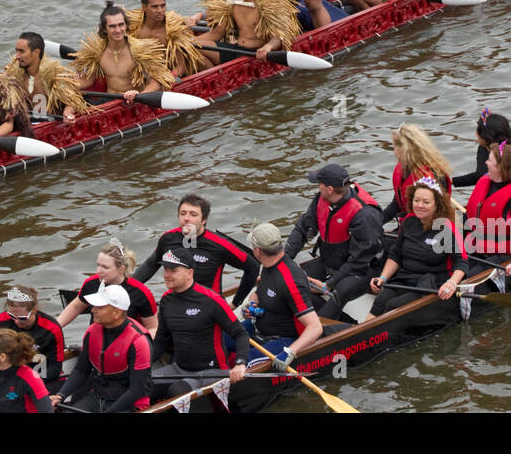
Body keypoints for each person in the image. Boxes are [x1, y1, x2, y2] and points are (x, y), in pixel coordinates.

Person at [149, 246, 250, 401]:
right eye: (165, 270)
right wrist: (140, 365)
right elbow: (161, 341)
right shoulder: (166, 301)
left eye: (173, 270)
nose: (167, 275)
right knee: (143, 384)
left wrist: (240, 363)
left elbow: (240, 334)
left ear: (190, 273)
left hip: (211, 371)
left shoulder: (212, 300)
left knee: (176, 391)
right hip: (179, 368)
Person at [284, 163, 383, 321]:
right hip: (330, 262)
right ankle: (338, 320)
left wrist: (329, 285)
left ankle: (327, 327)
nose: (317, 187)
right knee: (294, 281)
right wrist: (283, 260)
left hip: (361, 270)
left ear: (329, 189)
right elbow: (303, 228)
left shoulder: (364, 215)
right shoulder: (322, 199)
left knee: (340, 291)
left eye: (319, 184)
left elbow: (359, 260)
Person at [132, 193, 260, 305]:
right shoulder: (168, 239)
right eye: (183, 213)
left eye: (193, 214)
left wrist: (236, 302)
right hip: (177, 303)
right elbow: (150, 264)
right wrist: (127, 287)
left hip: (210, 307)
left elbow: (252, 267)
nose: (186, 218)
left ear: (204, 220)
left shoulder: (219, 244)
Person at [368, 180, 467, 317]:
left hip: (431, 283)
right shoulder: (409, 221)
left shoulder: (447, 229)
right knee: (381, 300)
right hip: (406, 278)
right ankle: (363, 336)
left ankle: (379, 334)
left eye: (426, 202)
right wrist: (383, 278)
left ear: (437, 205)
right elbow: (396, 254)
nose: (420, 205)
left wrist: (451, 283)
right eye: (416, 200)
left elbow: (461, 262)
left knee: (393, 306)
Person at [51, 284, 152, 413]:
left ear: (117, 312)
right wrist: (61, 395)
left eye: (99, 307)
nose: (93, 310)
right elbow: (81, 370)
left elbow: (136, 390)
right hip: (98, 396)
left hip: (129, 403)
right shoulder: (91, 332)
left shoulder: (139, 341)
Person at [241, 222, 323, 369]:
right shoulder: (268, 265)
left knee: (245, 364)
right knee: (219, 339)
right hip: (259, 326)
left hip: (286, 339)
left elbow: (316, 327)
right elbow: (258, 294)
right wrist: (252, 305)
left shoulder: (290, 281)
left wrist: (290, 352)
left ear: (258, 251)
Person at [196, 0, 300, 63]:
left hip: (254, 53)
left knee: (197, 51)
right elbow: (216, 34)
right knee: (193, 48)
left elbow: (277, 38)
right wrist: (189, 41)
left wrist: (268, 47)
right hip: (235, 49)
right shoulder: (230, 2)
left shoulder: (267, 4)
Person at [71, 3, 175, 102]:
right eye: (112, 26)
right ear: (104, 29)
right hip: (109, 100)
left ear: (126, 26)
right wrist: (66, 84)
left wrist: (140, 94)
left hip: (133, 102)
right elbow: (88, 81)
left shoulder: (140, 50)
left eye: (121, 25)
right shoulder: (97, 52)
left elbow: (158, 80)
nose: (118, 30)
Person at [463, 142, 511, 275]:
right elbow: (467, 217)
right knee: (451, 270)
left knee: (469, 275)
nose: (486, 162)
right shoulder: (484, 182)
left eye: (490, 160)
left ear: (501, 167)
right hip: (475, 247)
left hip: (503, 254)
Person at [57, 241, 158, 333]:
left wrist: (143, 347)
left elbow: (153, 328)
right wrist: (54, 328)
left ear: (121, 269)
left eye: (105, 267)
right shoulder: (91, 284)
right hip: (96, 338)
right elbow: (76, 307)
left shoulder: (141, 292)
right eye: (98, 265)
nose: (98, 271)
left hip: (128, 342)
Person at [0, 286, 68, 385]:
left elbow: (55, 367)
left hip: (37, 377)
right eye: (12, 316)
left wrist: (29, 382)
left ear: (34, 310)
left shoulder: (52, 328)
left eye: (22, 318)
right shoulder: (1, 320)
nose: (16, 321)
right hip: (4, 375)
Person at [5, 32, 89, 124]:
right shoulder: (15, 76)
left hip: (52, 125)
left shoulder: (53, 76)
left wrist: (67, 114)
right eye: (16, 51)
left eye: (21, 51)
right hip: (30, 124)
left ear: (36, 52)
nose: (16, 56)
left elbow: (72, 101)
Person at [383, 123, 453, 226]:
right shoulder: (405, 170)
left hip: (428, 228)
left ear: (404, 150)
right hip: (409, 224)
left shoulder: (429, 178)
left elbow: (436, 213)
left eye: (395, 148)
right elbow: (397, 204)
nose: (394, 152)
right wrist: (377, 221)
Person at [128, 0, 207, 77]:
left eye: (163, 6)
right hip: (143, 72)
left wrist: (166, 79)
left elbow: (181, 67)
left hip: (168, 74)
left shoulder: (173, 30)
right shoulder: (134, 27)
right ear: (144, 7)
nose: (160, 10)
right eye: (155, 7)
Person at [452, 109, 511, 189]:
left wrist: (451, 181)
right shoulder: (484, 147)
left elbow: (480, 175)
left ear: (486, 136)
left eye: (478, 130)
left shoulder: (505, 152)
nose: (476, 133)